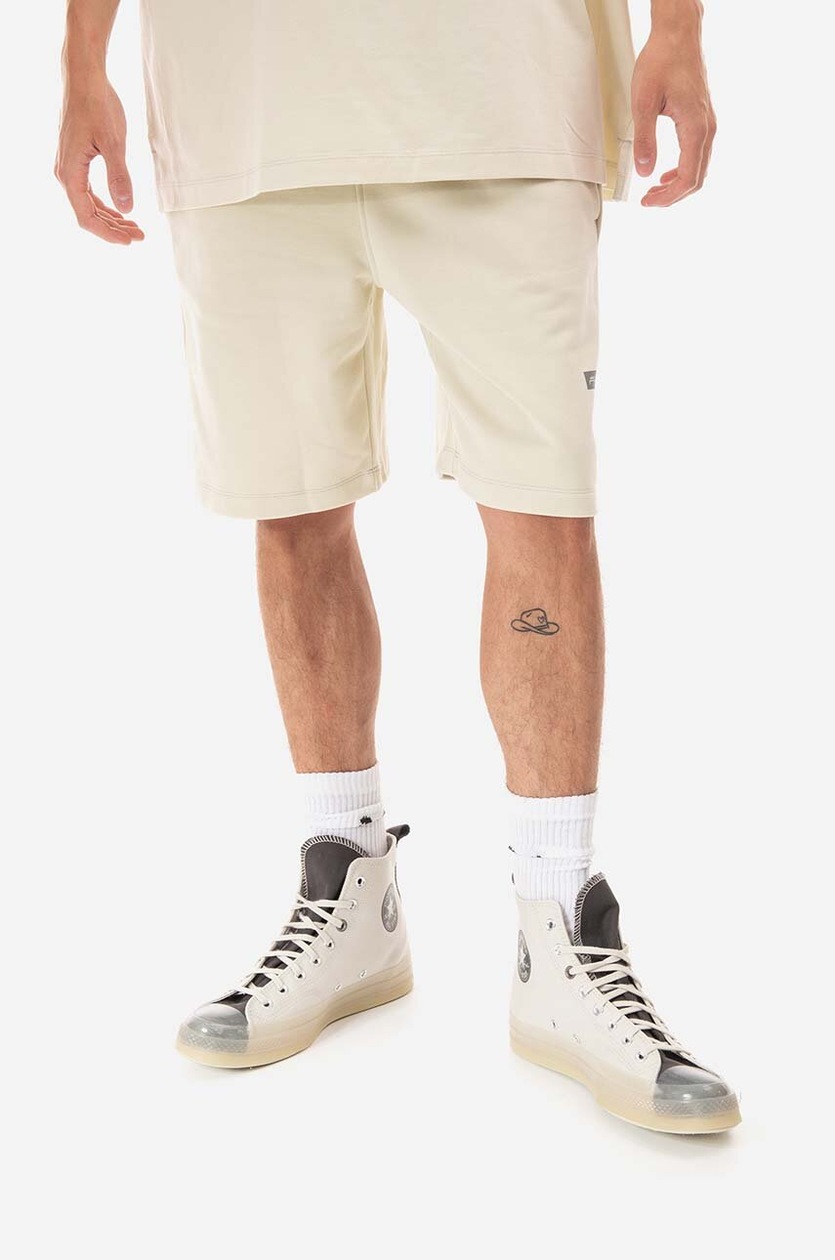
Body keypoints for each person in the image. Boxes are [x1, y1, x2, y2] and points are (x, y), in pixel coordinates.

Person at [56, 0, 737, 1134]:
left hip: (504, 95)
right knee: (290, 506)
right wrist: (81, 60)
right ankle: (348, 887)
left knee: (540, 507)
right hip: (241, 106)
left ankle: (559, 922)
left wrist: (680, 29)